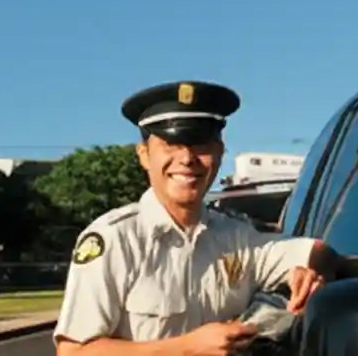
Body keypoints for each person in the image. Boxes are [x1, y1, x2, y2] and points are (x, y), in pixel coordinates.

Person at [54, 80, 334, 355]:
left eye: (200, 144)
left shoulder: (237, 237)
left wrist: (305, 276)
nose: (187, 158)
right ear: (143, 155)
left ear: (220, 153)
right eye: (170, 144)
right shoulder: (115, 239)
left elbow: (318, 252)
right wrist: (186, 348)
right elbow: (72, 351)